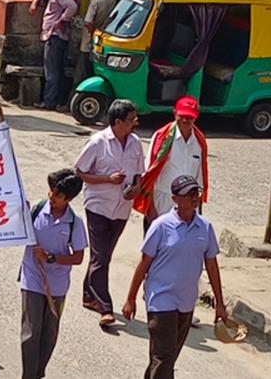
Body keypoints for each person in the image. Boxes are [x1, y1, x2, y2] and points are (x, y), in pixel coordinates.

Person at [122, 176, 227, 379]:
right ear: (174, 199)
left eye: (195, 193)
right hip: (160, 299)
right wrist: (130, 298)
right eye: (188, 194)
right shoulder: (161, 226)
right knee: (164, 356)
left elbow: (212, 266)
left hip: (186, 302)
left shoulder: (205, 228)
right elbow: (144, 263)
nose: (194, 198)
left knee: (165, 357)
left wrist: (220, 304)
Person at [74, 98, 144, 327]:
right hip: (98, 206)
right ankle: (105, 307)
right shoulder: (98, 142)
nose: (136, 122)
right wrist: (107, 179)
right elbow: (80, 171)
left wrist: (136, 189)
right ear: (117, 122)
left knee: (102, 256)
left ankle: (88, 296)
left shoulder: (135, 143)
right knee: (101, 257)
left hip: (122, 209)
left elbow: (139, 175)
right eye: (131, 119)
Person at [20, 169, 88, 379]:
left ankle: (39, 372)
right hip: (31, 279)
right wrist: (20, 212)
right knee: (31, 333)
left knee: (48, 334)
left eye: (57, 196)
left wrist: (51, 258)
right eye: (51, 192)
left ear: (69, 199)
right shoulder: (37, 210)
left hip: (57, 287)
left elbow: (78, 257)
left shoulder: (75, 224)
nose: (51, 197)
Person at [134, 96, 208, 231]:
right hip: (162, 202)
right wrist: (150, 208)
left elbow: (200, 178)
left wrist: (198, 208)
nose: (186, 120)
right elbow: (148, 174)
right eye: (182, 116)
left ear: (196, 117)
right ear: (175, 113)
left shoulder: (199, 142)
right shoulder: (161, 137)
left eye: (190, 117)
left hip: (188, 206)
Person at [30, 0, 78, 110]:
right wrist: (35, 2)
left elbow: (73, 7)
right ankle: (58, 101)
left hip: (55, 35)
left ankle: (49, 101)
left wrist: (62, 20)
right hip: (52, 35)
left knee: (51, 71)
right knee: (56, 70)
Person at [74, 0, 114, 90]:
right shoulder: (112, 2)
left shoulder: (95, 3)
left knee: (81, 74)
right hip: (104, 44)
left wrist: (92, 34)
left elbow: (88, 22)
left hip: (89, 45)